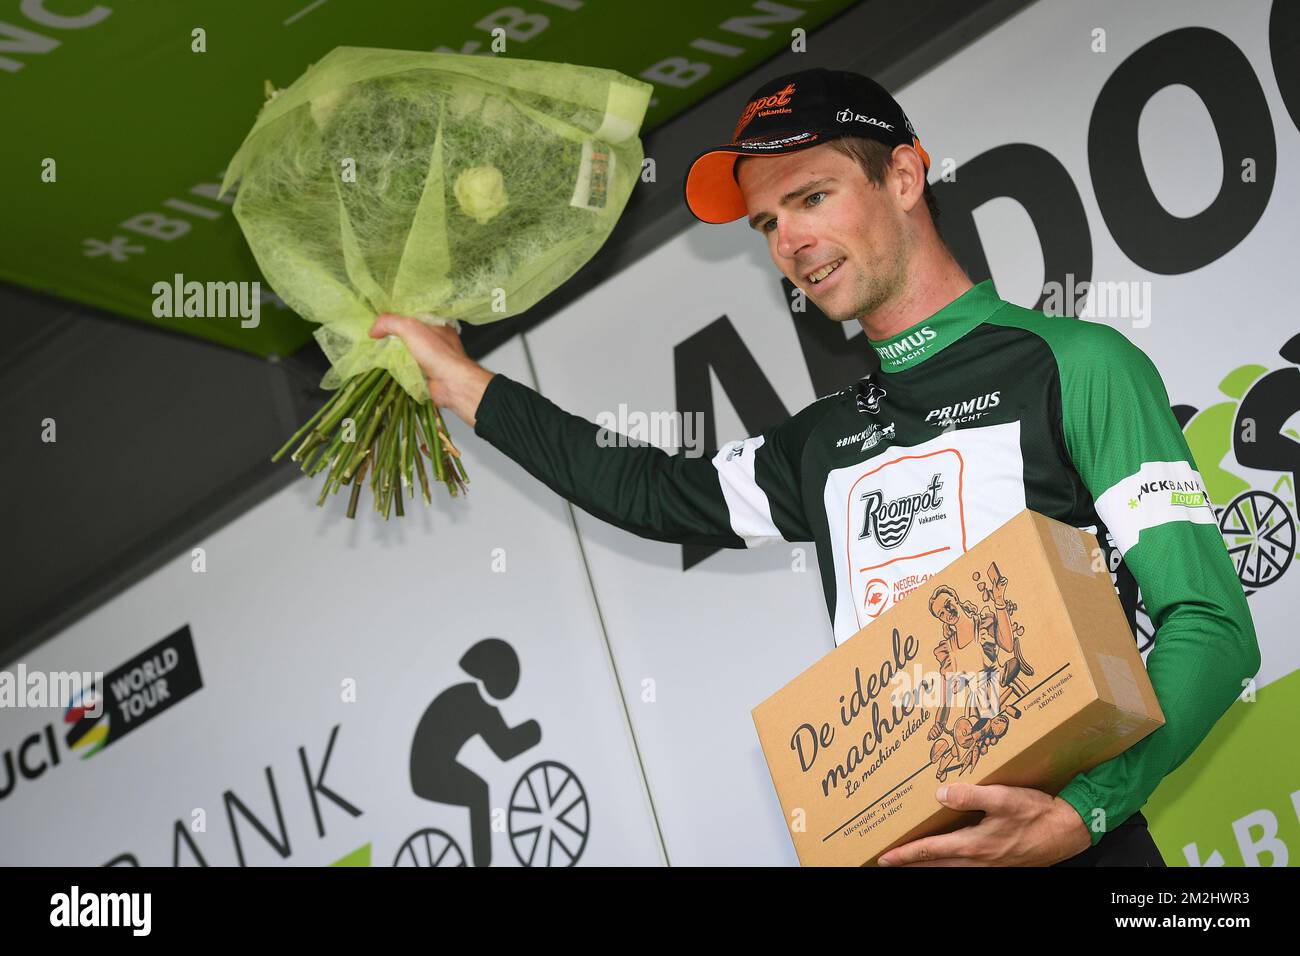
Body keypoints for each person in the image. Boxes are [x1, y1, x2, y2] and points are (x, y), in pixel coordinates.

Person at [370, 68, 1260, 866]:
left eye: (812, 197)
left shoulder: (1073, 364)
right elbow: (649, 491)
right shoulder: (823, 442)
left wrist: (1081, 816)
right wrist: (465, 384)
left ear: (904, 178)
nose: (787, 243)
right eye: (767, 223)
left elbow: (1211, 626)